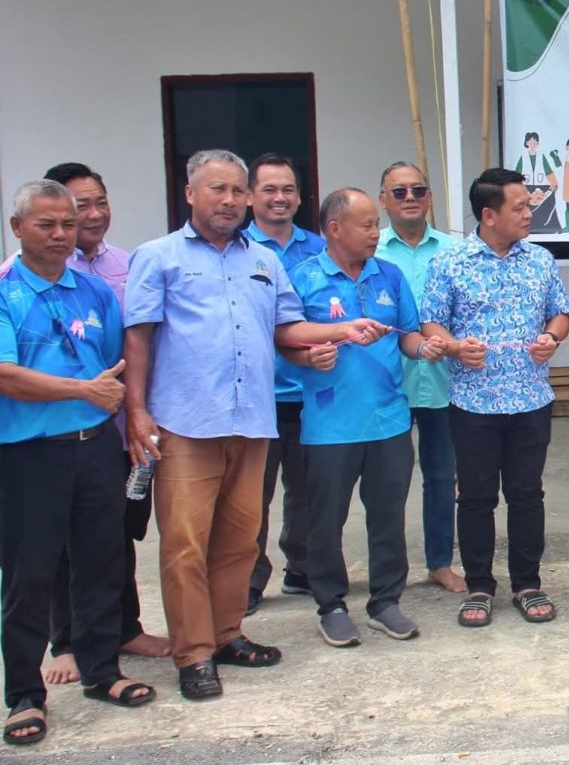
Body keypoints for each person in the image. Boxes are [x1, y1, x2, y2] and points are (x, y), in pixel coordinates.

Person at [123, 149, 382, 701]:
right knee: (185, 544)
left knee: (240, 540)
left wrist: (343, 330)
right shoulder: (158, 256)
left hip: (252, 420)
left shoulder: (263, 261)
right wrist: (137, 412)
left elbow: (289, 329)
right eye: (218, 189)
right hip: (186, 423)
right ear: (190, 193)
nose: (230, 200)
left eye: (238, 191)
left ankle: (225, 635)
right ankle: (193, 655)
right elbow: (139, 338)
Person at [1, 180, 155, 746]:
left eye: (67, 223)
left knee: (102, 561)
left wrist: (131, 418)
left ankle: (101, 671)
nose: (61, 234)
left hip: (96, 448)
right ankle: (23, 694)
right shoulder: (4, 291)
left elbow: (119, 362)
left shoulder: (92, 292)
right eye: (46, 225)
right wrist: (80, 391)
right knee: (29, 573)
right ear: (18, 228)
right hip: (28, 454)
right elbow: (5, 373)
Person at [288, 189, 448, 645]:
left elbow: (409, 338)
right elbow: (283, 343)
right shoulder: (304, 279)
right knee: (326, 518)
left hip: (389, 418)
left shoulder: (390, 277)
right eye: (366, 225)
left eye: (376, 225)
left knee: (387, 515)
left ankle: (385, 601)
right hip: (330, 422)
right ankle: (331, 604)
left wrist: (427, 349)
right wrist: (307, 359)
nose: (376, 233)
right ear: (334, 228)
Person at [35, 162, 169, 686]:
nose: (90, 215)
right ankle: (65, 640)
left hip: (121, 431)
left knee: (117, 534)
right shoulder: (23, 276)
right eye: (76, 207)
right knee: (59, 538)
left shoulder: (128, 263)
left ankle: (124, 627)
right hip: (55, 432)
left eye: (98, 202)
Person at [420, 168, 569, 627]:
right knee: (476, 497)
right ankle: (480, 585)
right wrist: (453, 346)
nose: (530, 213)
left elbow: (560, 315)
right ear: (488, 215)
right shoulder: (450, 263)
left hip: (531, 399)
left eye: (530, 204)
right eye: (520, 207)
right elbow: (431, 325)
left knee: (527, 495)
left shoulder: (540, 261)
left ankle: (528, 582)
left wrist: (551, 337)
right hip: (474, 403)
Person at [243, 153, 327, 615]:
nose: (280, 198)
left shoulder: (317, 248)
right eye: (270, 189)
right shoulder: (237, 250)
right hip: (257, 394)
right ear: (252, 195)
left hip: (308, 391)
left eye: (288, 189)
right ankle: (250, 580)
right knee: (253, 493)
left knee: (308, 489)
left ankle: (304, 567)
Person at [377, 162, 466, 594]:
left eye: (418, 190)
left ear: (429, 197)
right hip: (385, 385)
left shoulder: (455, 250)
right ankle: (387, 571)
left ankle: (439, 562)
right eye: (399, 192)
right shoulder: (370, 251)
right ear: (383, 200)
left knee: (442, 477)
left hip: (444, 382)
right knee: (387, 482)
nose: (409, 198)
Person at [511, 132, 561, 236]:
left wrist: (553, 184)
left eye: (535, 141)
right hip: (526, 188)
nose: (533, 144)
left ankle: (549, 226)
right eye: (530, 141)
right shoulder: (522, 157)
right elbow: (516, 175)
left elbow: (549, 172)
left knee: (550, 197)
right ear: (526, 143)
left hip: (541, 186)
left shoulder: (541, 156)